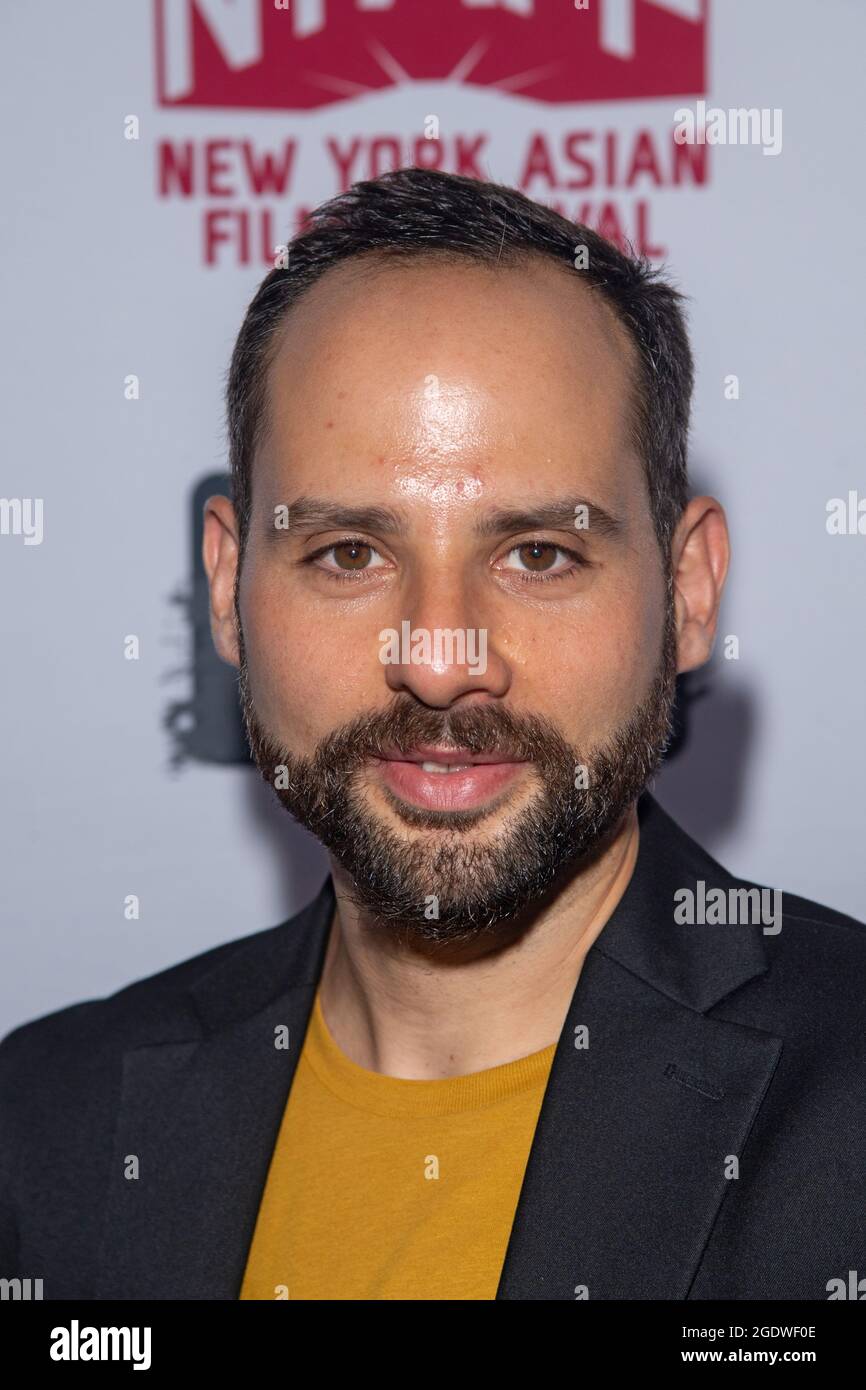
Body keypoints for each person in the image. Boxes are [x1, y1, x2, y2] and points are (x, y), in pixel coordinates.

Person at [2, 169, 864, 1301]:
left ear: (688, 589)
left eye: (539, 554)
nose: (442, 656)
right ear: (226, 584)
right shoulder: (44, 1124)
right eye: (349, 553)